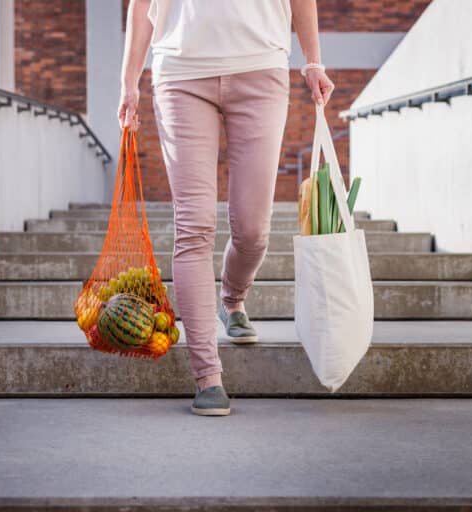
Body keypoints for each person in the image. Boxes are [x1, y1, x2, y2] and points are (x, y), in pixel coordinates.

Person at [118, 0, 334, 416]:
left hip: (261, 67)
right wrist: (129, 82)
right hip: (180, 73)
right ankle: (207, 377)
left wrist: (313, 61)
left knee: (253, 231)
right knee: (194, 226)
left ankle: (232, 299)